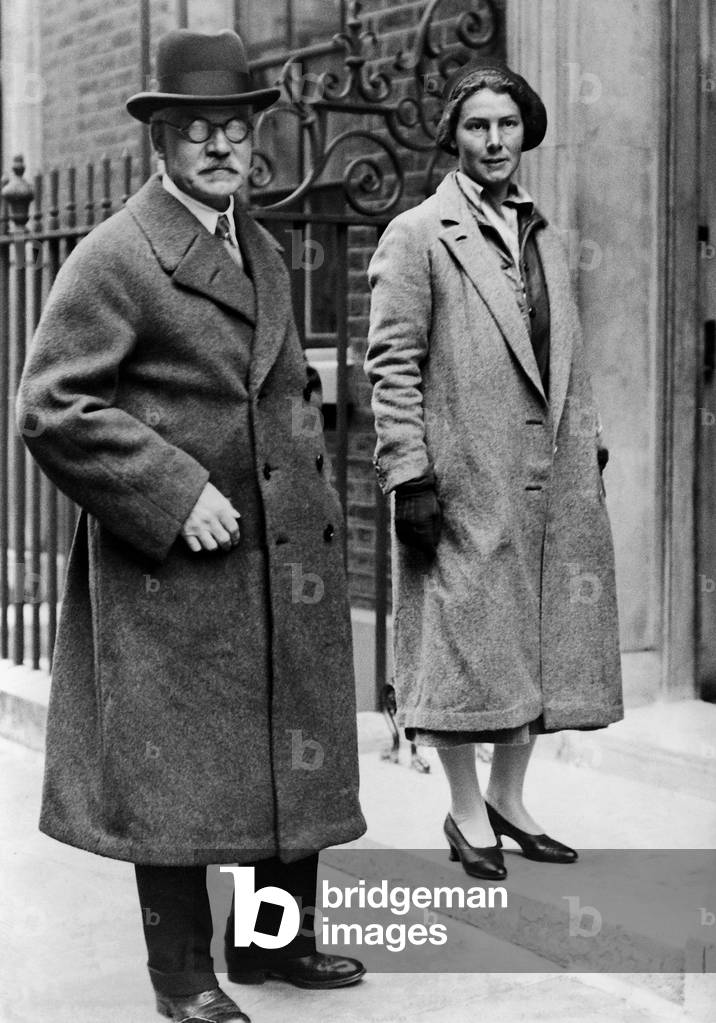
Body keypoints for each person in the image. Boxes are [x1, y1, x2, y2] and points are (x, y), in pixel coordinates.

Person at [17, 29, 366, 1023]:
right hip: (175, 566)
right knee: (174, 773)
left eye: (234, 128)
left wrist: (317, 497)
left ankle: (273, 947)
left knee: (281, 752)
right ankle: (182, 983)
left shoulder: (255, 240)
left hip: (279, 559)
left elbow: (284, 387)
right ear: (160, 142)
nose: (220, 145)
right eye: (196, 129)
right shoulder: (117, 255)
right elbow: (51, 405)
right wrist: (172, 493)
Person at [364, 59, 623, 881]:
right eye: (478, 125)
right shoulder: (417, 234)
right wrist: (409, 473)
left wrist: (590, 438)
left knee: (535, 644)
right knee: (464, 649)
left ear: (526, 132)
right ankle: (465, 810)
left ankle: (511, 804)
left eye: (507, 124)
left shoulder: (541, 231)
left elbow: (562, 351)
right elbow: (391, 362)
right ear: (454, 136)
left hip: (547, 472)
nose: (495, 140)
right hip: (465, 473)